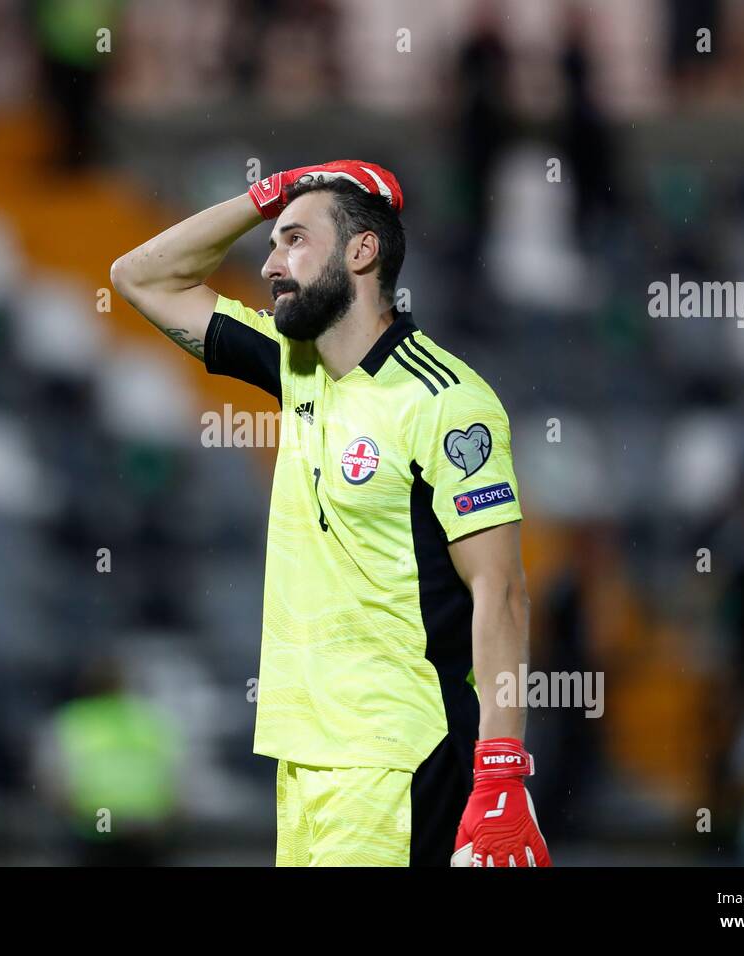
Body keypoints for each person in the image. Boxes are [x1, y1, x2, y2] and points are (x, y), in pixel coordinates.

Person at [110, 161, 549, 866]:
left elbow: (499, 588)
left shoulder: (444, 399)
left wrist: (500, 764)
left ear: (361, 251)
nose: (271, 263)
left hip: (396, 751)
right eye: (273, 242)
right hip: (306, 759)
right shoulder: (295, 364)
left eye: (293, 241)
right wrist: (269, 194)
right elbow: (140, 275)